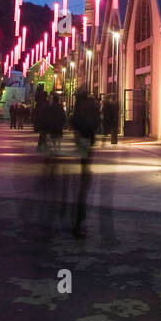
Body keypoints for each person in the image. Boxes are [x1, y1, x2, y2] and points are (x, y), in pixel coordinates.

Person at [69, 89, 100, 240]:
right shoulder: (92, 105)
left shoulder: (79, 107)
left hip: (82, 141)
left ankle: (77, 222)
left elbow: (74, 125)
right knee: (84, 176)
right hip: (89, 140)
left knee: (83, 175)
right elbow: (96, 123)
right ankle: (79, 221)